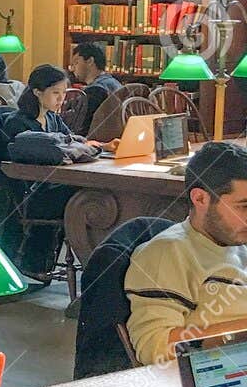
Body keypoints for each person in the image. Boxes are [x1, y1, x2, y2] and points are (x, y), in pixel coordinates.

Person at [126, 142, 247, 365]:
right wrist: (239, 333)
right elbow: (156, 349)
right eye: (243, 206)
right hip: (223, 376)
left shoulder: (236, 240)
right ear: (200, 198)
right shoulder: (168, 254)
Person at [0, 64, 92, 279]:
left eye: (64, 93)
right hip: (31, 195)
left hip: (50, 187)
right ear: (37, 92)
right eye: (55, 93)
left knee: (89, 195)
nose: (61, 99)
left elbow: (72, 142)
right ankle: (83, 261)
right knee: (86, 198)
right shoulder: (18, 123)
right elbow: (51, 154)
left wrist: (99, 145)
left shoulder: (52, 118)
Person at [67, 41, 123, 134]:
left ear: (90, 61)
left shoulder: (96, 91)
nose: (72, 69)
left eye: (76, 63)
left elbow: (81, 126)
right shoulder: (113, 83)